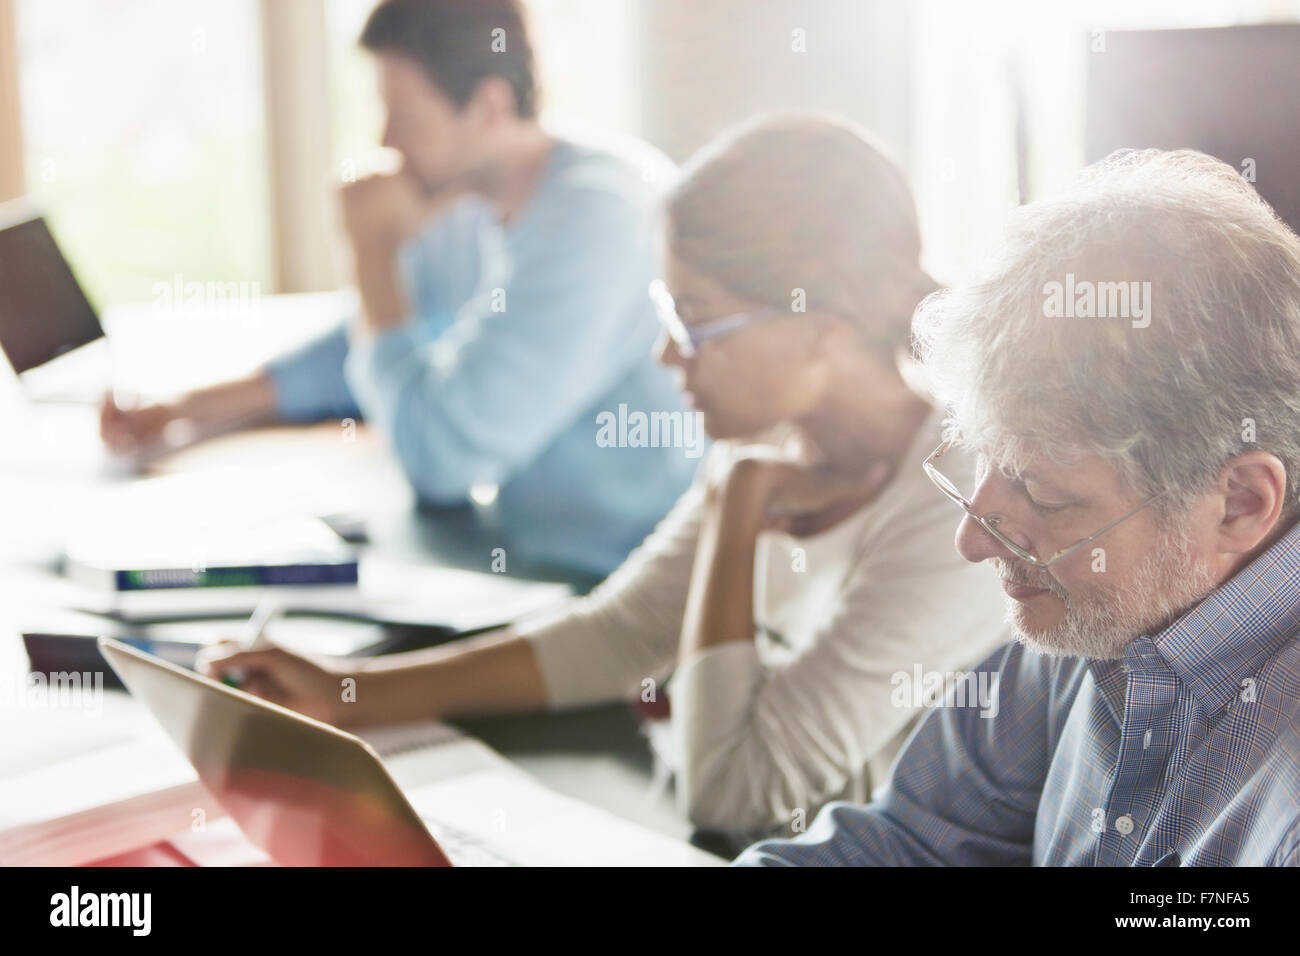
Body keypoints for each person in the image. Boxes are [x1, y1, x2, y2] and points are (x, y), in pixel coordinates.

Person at [203, 114, 1011, 840]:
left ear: (822, 332)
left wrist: (735, 517)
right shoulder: (772, 432)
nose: (668, 356)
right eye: (669, 314)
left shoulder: (957, 496)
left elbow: (738, 791)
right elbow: (623, 632)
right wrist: (350, 693)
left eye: (695, 321)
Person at [736, 148, 1300, 866]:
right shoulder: (1103, 612)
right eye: (982, 460)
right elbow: (904, 845)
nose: (972, 539)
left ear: (1241, 504)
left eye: (1041, 492)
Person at [100, 0, 696, 576]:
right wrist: (182, 411)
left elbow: (439, 459)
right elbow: (370, 343)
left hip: (609, 587)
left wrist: (371, 248)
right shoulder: (473, 197)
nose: (386, 141)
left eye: (407, 118)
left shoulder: (593, 223)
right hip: (520, 552)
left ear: (489, 106)